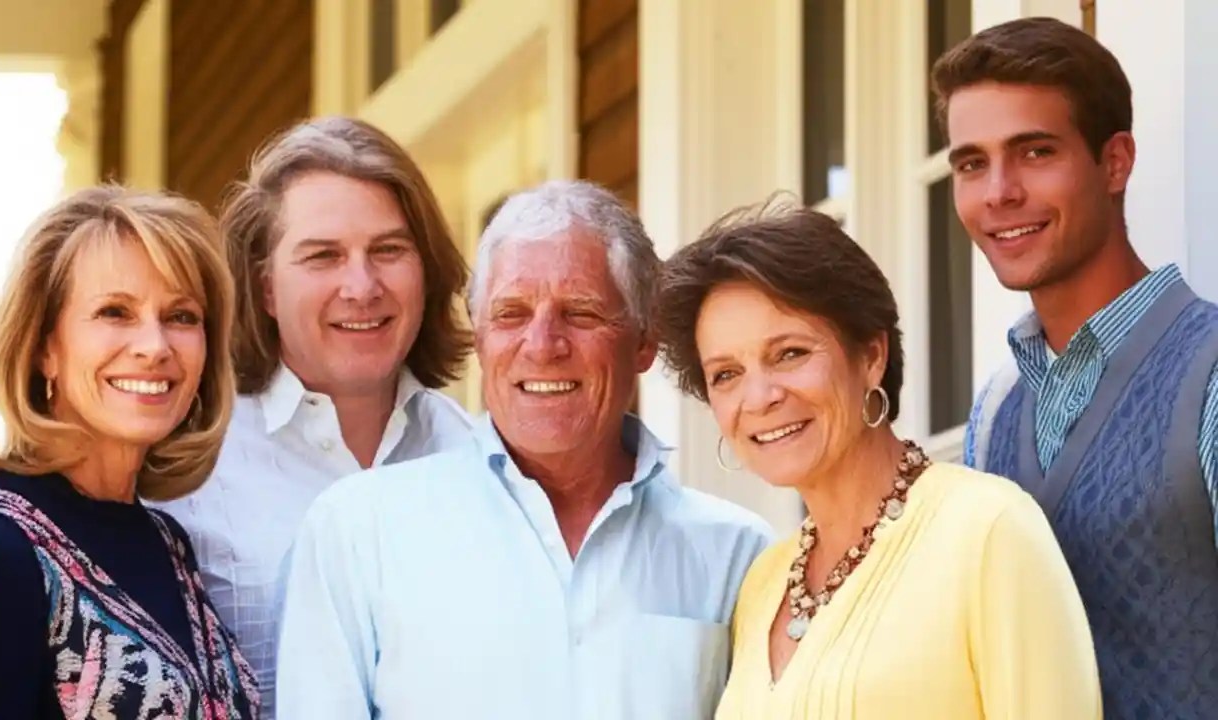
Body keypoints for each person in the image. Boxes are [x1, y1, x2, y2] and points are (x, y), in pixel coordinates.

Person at [274, 179, 774, 719]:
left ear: (644, 340)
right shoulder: (357, 531)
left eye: (580, 313)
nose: (542, 346)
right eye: (511, 314)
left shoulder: (738, 555)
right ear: (480, 337)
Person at [655, 200, 1101, 719]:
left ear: (871, 356)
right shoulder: (763, 583)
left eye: (790, 353)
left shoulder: (987, 530)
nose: (758, 398)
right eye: (726, 375)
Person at [936, 18, 1218, 718]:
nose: (998, 192)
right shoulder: (993, 413)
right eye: (971, 164)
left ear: (1114, 162)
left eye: (1035, 152)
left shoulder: (1210, 375)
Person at [151, 116, 476, 712]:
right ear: (265, 288)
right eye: (323, 256)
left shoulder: (479, 461)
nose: (362, 285)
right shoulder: (184, 466)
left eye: (389, 250)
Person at [0, 186, 259, 718]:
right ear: (43, 347)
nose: (155, 347)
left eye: (181, 316)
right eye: (115, 312)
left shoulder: (169, 544)